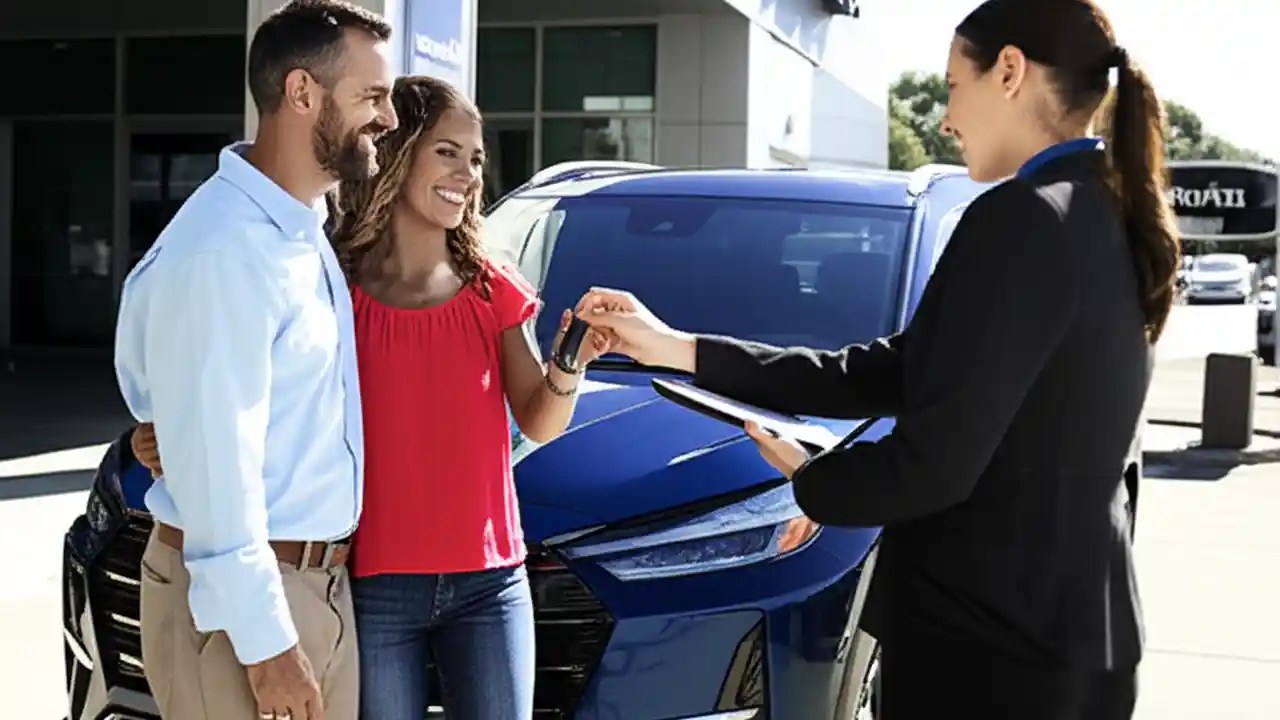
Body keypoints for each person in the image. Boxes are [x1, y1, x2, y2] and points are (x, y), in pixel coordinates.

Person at [573, 1, 1179, 718]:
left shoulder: (1020, 219)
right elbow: (898, 369)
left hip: (989, 651)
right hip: (1074, 637)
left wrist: (814, 476)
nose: (946, 118)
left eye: (954, 86)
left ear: (1010, 72)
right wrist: (678, 348)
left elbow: (935, 464)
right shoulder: (1109, 214)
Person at [130, 74, 613, 720]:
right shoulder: (335, 290)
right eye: (447, 151)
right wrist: (174, 432)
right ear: (398, 151)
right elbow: (265, 395)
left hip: (491, 587)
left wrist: (569, 363)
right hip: (376, 589)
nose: (467, 174)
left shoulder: (491, 288)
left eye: (476, 158)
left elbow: (539, 421)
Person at [113, 2, 398, 719]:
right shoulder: (224, 250)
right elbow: (213, 467)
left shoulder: (298, 229)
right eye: (371, 96)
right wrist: (267, 643)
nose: (388, 118)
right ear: (302, 93)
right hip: (250, 612)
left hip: (312, 589)